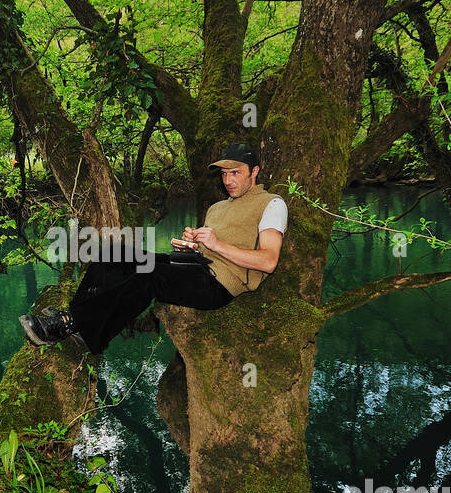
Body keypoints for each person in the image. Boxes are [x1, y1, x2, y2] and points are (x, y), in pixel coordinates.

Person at [19, 143, 288, 354]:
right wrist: (193, 242)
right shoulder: (217, 207)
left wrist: (217, 243)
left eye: (236, 173)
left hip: (220, 284)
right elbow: (208, 247)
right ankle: (77, 318)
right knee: (114, 253)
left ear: (254, 172)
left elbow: (268, 261)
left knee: (148, 277)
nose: (228, 180)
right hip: (195, 265)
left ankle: (68, 327)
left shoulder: (272, 204)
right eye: (224, 174)